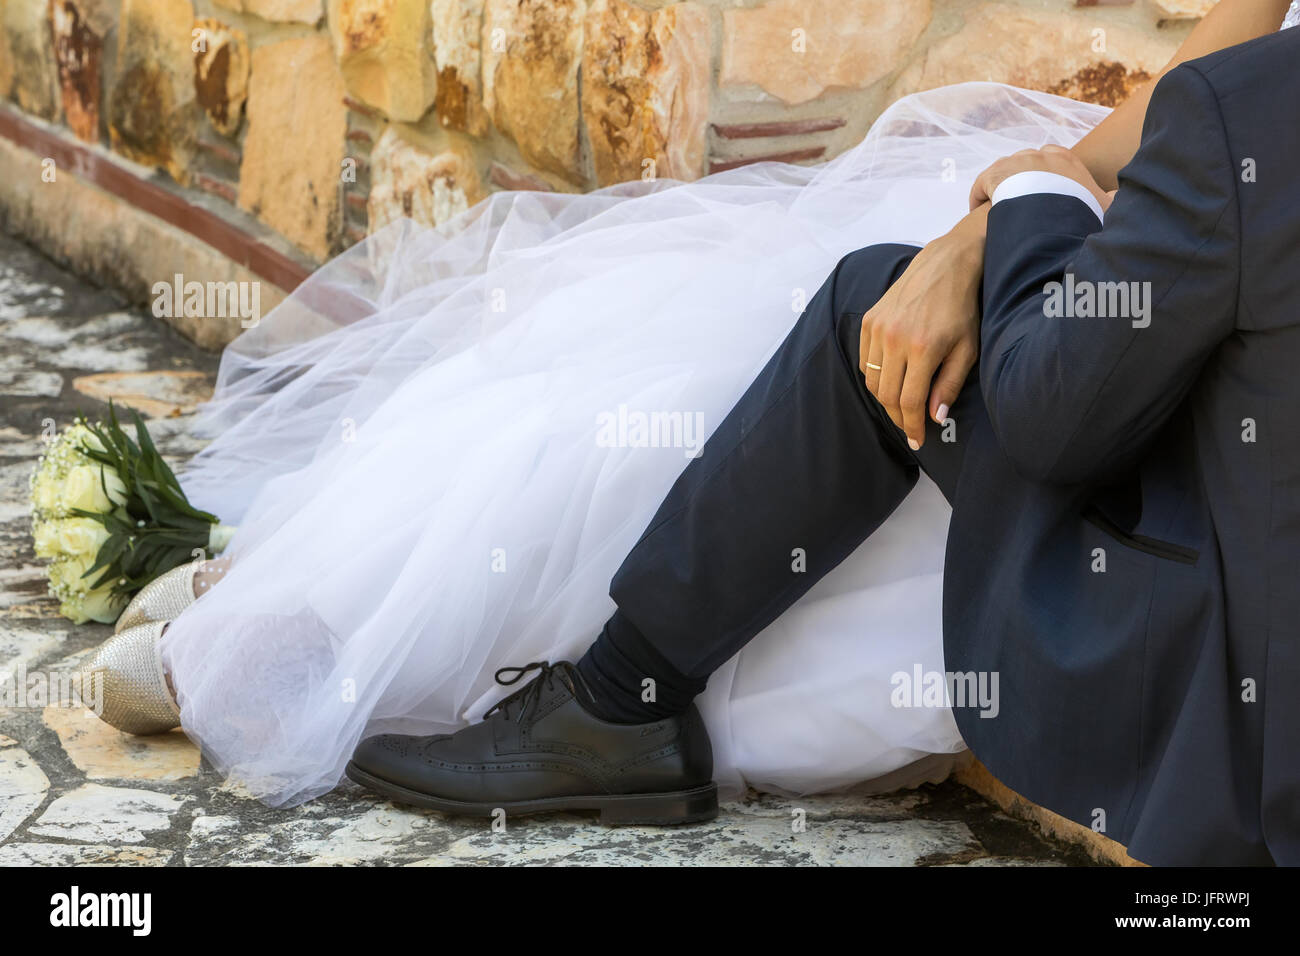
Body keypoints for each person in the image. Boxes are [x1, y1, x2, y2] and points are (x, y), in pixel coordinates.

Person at [86, 1, 1298, 865]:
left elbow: (1051, 412)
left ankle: (542, 685)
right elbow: (1197, 106)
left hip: (1217, 647)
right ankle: (340, 582)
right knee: (785, 299)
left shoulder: (1259, 127)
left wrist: (1022, 212)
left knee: (865, 310)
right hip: (1206, 402)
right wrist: (1015, 208)